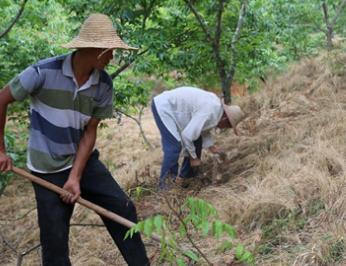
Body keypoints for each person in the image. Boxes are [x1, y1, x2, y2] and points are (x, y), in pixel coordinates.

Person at [0, 13, 150, 266]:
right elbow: (1, 100)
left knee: (122, 208)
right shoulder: (42, 73)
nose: (113, 57)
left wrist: (75, 177)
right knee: (55, 242)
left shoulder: (103, 84)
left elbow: (90, 131)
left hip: (83, 163)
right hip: (45, 168)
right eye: (110, 51)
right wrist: (1, 150)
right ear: (94, 50)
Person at [152, 86, 245, 189]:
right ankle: (165, 187)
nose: (225, 128)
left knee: (197, 140)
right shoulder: (211, 111)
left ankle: (187, 178)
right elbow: (187, 136)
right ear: (225, 119)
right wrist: (193, 158)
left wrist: (211, 147)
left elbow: (201, 129)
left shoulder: (215, 108)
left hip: (171, 106)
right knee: (174, 147)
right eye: (228, 126)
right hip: (164, 107)